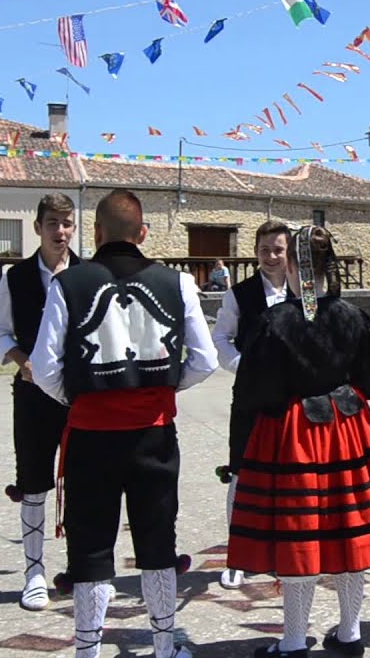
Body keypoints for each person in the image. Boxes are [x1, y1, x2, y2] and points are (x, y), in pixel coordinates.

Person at [30, 189, 219, 658]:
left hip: (92, 436)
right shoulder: (177, 283)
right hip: (153, 435)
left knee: (90, 546)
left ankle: (87, 650)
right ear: (143, 234)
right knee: (158, 539)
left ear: (94, 233)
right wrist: (161, 393)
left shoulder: (68, 284)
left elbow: (44, 367)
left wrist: (83, 401)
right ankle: (163, 645)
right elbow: (206, 360)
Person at [226, 226, 370, 658]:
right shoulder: (354, 317)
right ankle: (351, 633)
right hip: (347, 432)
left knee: (298, 538)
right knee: (349, 532)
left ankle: (292, 641)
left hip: (293, 436)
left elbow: (250, 392)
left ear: (291, 263)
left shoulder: (274, 321)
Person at [0, 192, 80, 611]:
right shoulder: (17, 277)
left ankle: (84, 569)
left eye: (67, 223)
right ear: (37, 227)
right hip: (32, 397)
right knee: (34, 484)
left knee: (84, 484)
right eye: (53, 223)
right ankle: (34, 573)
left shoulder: (88, 273)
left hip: (79, 398)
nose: (61, 231)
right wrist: (24, 363)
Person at [211, 220, 291, 590]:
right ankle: (237, 556)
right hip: (250, 399)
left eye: (278, 249)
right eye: (264, 250)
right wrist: (245, 369)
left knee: (287, 478)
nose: (271, 257)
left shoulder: (304, 293)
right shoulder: (239, 294)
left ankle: (280, 552)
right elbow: (222, 339)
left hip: (292, 402)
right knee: (242, 475)